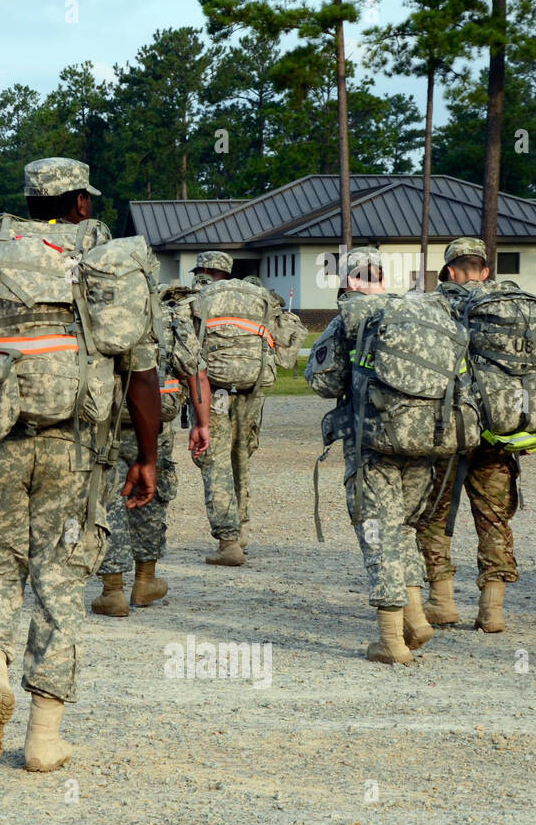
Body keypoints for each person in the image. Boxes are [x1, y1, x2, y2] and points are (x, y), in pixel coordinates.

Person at [0, 157, 161, 772]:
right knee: (60, 579)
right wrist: (147, 456)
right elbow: (140, 371)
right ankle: (44, 738)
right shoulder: (107, 261)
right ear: (78, 203)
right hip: (75, 451)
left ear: (27, 200)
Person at [305, 248, 453, 662]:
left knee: (377, 534)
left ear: (350, 281)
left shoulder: (350, 318)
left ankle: (390, 641)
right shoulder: (421, 311)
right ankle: (417, 619)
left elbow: (323, 382)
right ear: (383, 278)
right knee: (404, 528)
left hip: (372, 445)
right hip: (426, 441)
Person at [416, 238, 525, 632]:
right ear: (485, 271)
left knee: (433, 518)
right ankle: (491, 611)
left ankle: (442, 602)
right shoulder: (508, 308)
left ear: (447, 271)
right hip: (497, 433)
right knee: (494, 521)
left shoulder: (432, 306)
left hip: (448, 431)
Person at [92, 282, 211, 615]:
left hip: (106, 425)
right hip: (154, 423)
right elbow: (196, 375)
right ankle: (145, 581)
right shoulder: (169, 319)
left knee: (108, 500)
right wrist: (202, 424)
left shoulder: (101, 316)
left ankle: (111, 590)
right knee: (151, 496)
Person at [189, 251, 306, 565]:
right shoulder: (259, 298)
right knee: (240, 455)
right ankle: (240, 529)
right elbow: (285, 351)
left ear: (201, 271)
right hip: (251, 388)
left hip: (211, 389)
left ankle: (228, 543)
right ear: (227, 272)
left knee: (215, 460)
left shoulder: (198, 297)